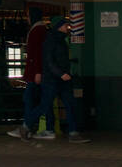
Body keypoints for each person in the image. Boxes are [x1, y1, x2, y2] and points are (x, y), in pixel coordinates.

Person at [35, 17, 89, 143]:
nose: (67, 28)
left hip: (58, 78)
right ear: (59, 26)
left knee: (50, 104)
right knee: (60, 104)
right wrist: (61, 74)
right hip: (56, 78)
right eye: (65, 25)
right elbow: (50, 61)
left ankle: (43, 128)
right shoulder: (56, 41)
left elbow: (50, 60)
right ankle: (28, 125)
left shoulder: (57, 39)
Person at [9, 10, 54, 140]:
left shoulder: (36, 31)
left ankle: (26, 125)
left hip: (35, 73)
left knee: (29, 99)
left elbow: (36, 53)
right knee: (45, 100)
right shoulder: (43, 30)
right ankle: (47, 128)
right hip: (41, 72)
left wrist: (38, 72)